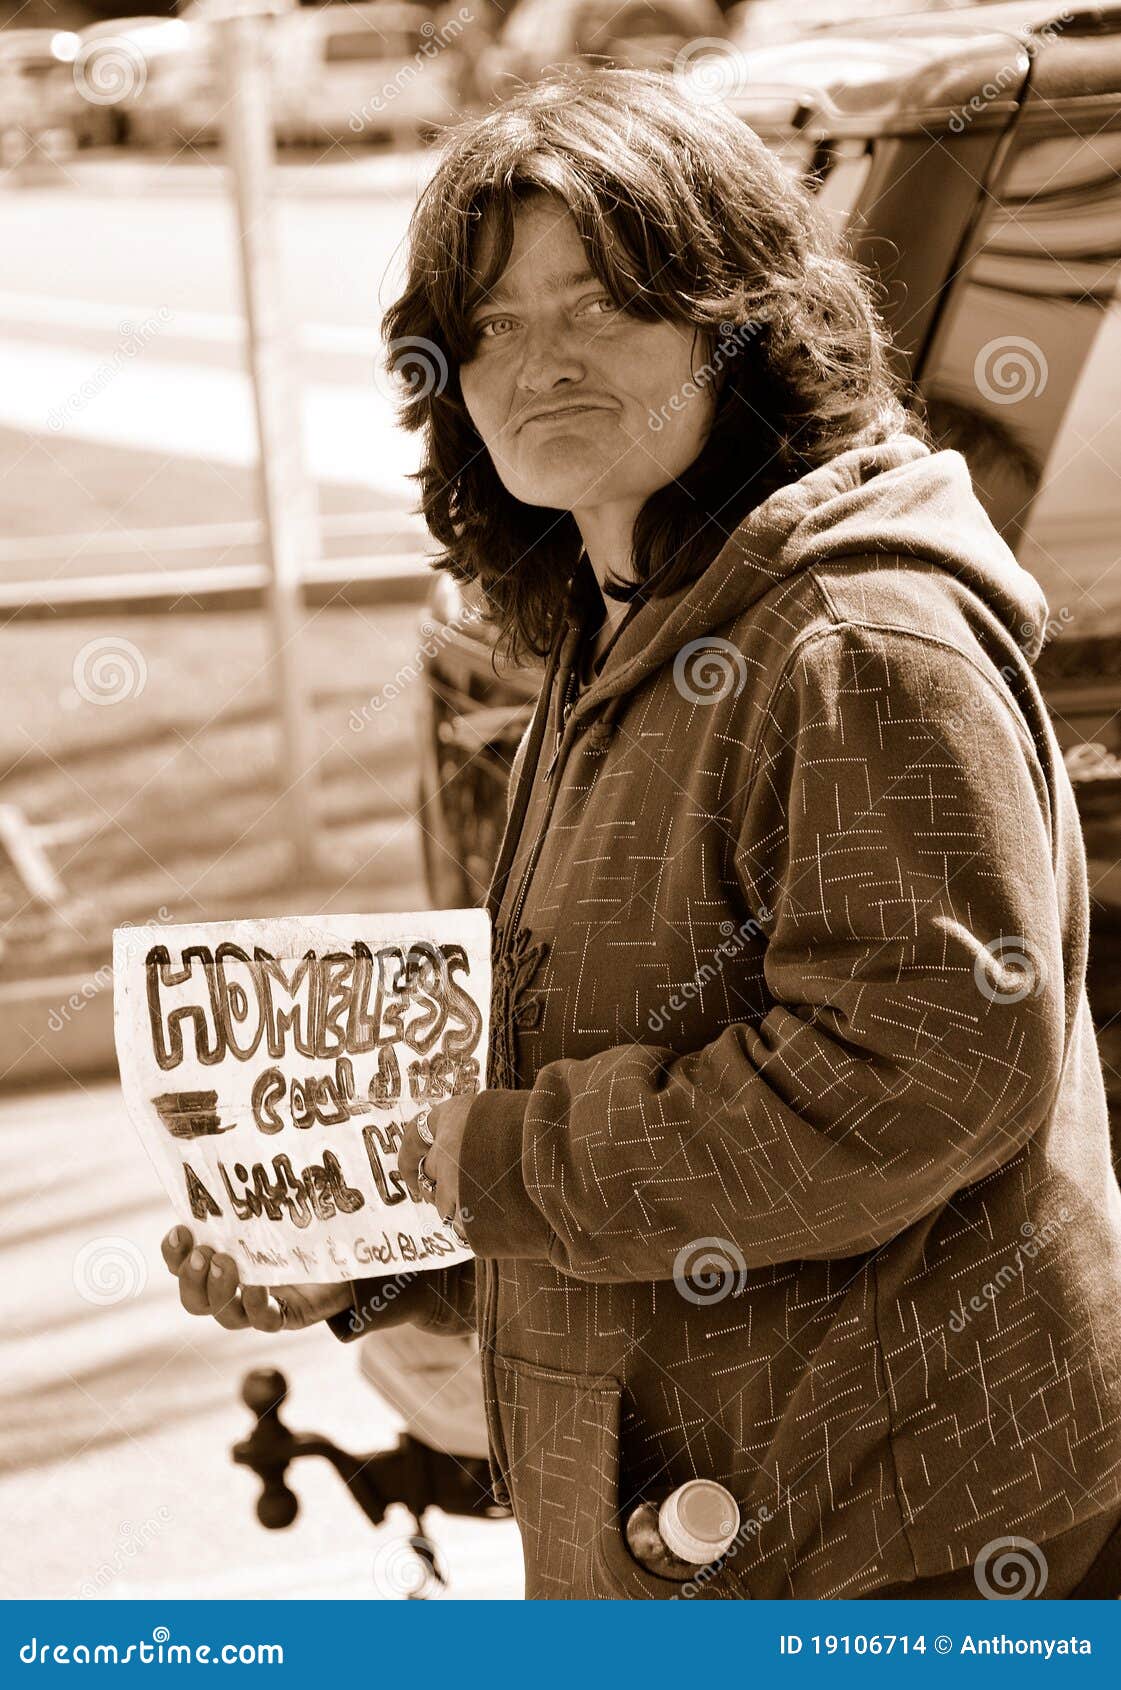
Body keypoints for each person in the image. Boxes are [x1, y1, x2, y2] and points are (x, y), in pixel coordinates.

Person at [164, 68, 1121, 1600]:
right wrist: (367, 1241)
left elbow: (915, 1080)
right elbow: (592, 1090)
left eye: (599, 303)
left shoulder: (856, 637)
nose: (534, 363)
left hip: (890, 1557)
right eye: (486, 326)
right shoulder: (621, 622)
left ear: (735, 326)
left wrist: (484, 1164)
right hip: (685, 1534)